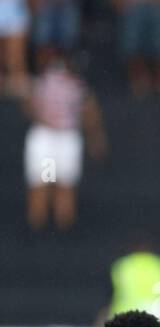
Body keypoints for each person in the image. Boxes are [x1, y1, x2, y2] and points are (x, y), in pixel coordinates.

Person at [24, 55, 106, 231]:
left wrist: (94, 137)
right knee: (45, 183)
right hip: (49, 138)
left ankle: (62, 230)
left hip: (66, 138)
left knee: (65, 185)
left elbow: (89, 110)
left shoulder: (77, 84)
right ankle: (41, 229)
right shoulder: (46, 79)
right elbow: (28, 100)